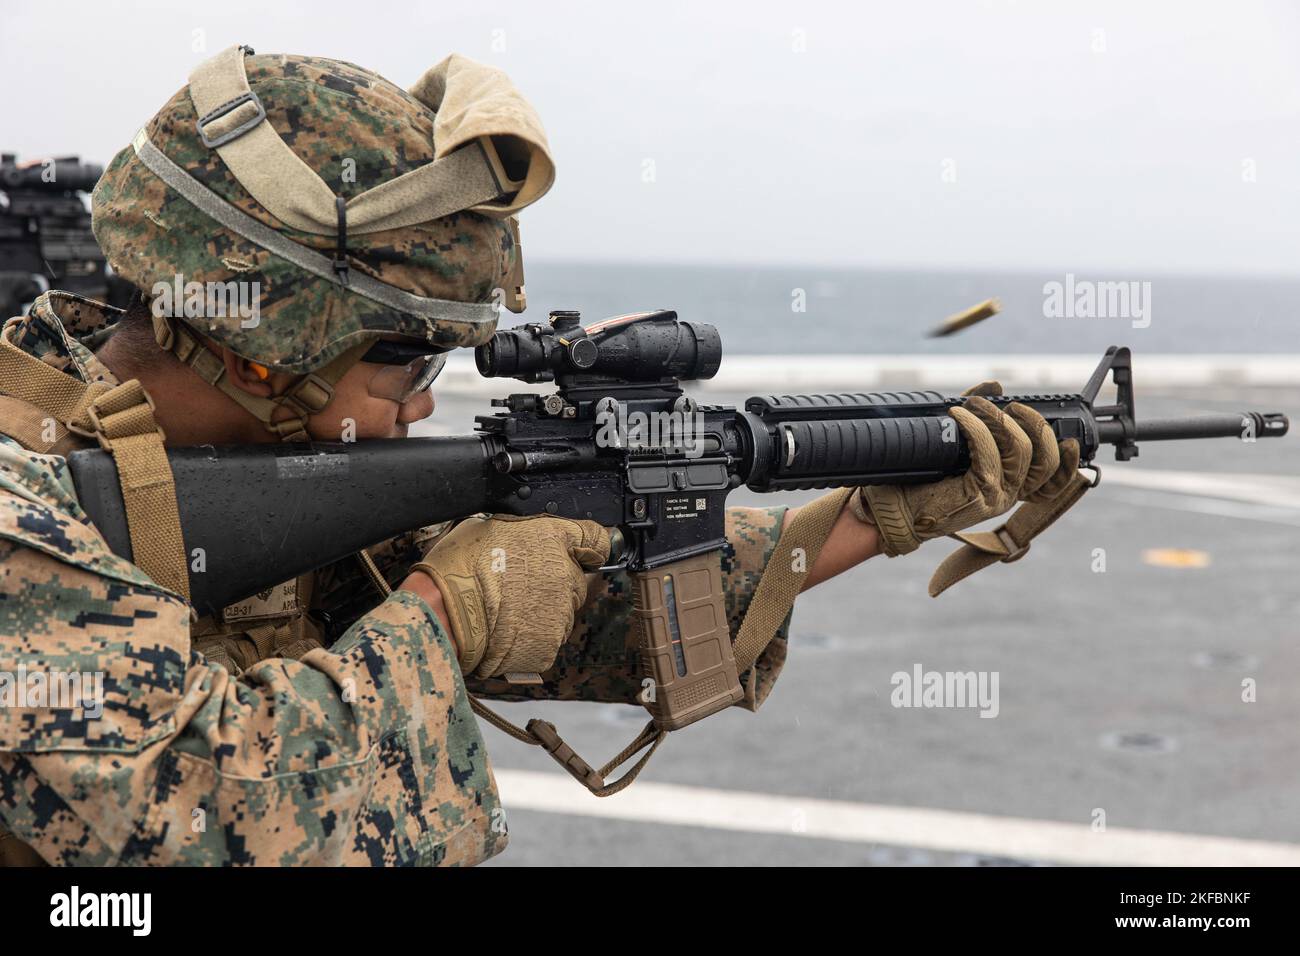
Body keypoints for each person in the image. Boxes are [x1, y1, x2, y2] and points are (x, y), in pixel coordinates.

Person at [0, 46, 1077, 867]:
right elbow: (189, 811)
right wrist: (445, 608)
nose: (419, 410)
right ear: (275, 350)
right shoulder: (22, 497)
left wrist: (874, 511)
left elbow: (588, 603)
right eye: (403, 366)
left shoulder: (235, 465)